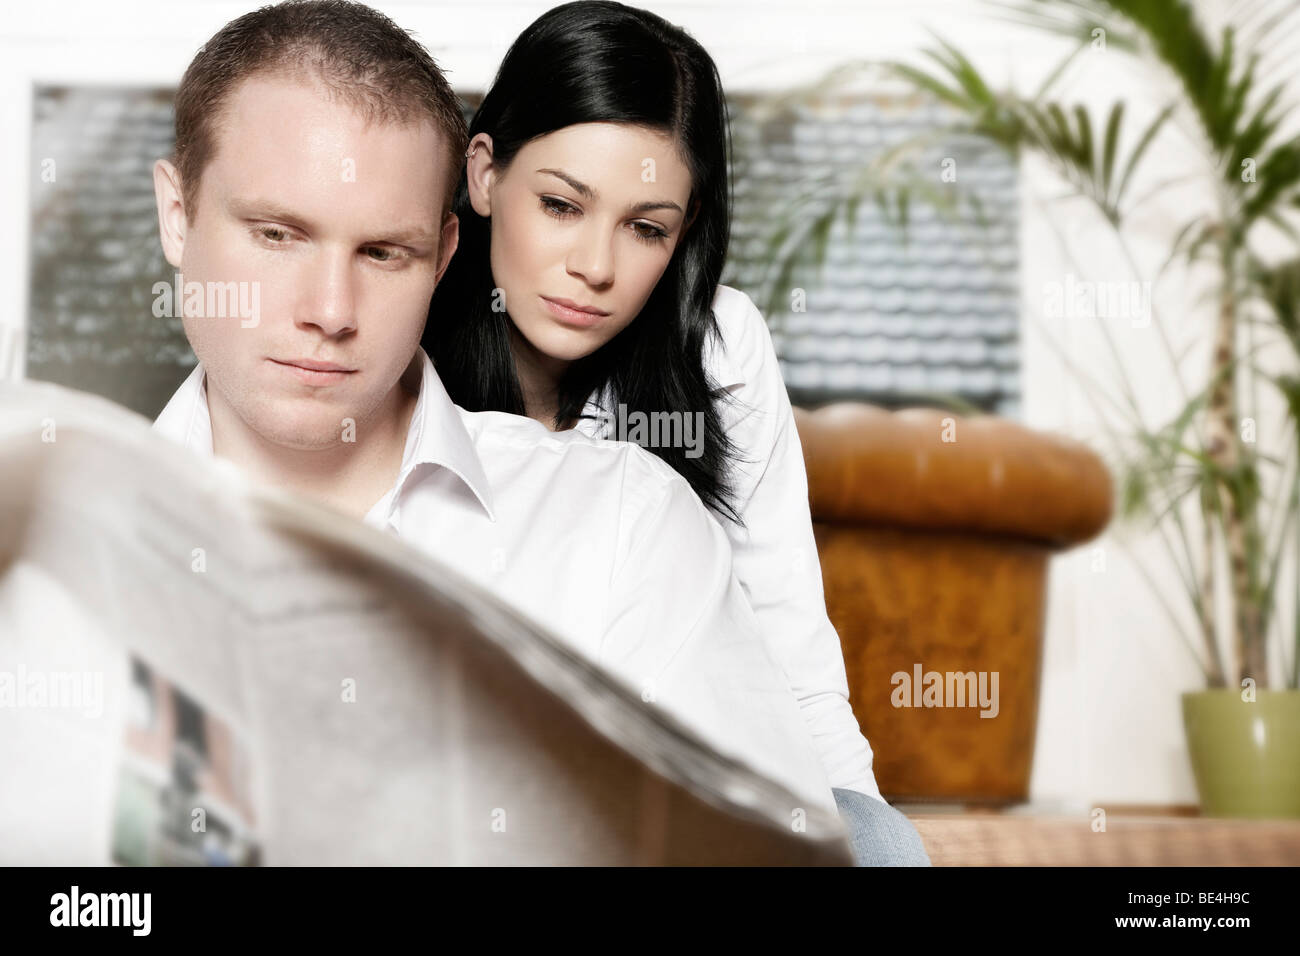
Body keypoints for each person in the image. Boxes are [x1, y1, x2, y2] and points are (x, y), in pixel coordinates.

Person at [147, 0, 840, 843]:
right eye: (278, 234)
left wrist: (859, 817)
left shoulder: (640, 493)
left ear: (435, 256)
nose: (331, 312)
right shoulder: (64, 530)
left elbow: (796, 700)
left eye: (380, 253)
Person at [422, 1, 929, 864]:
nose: (595, 266)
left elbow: (790, 650)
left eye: (645, 226)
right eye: (559, 205)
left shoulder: (720, 350)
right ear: (483, 172)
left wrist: (859, 828)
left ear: (684, 230)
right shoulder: (400, 338)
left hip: (706, 795)